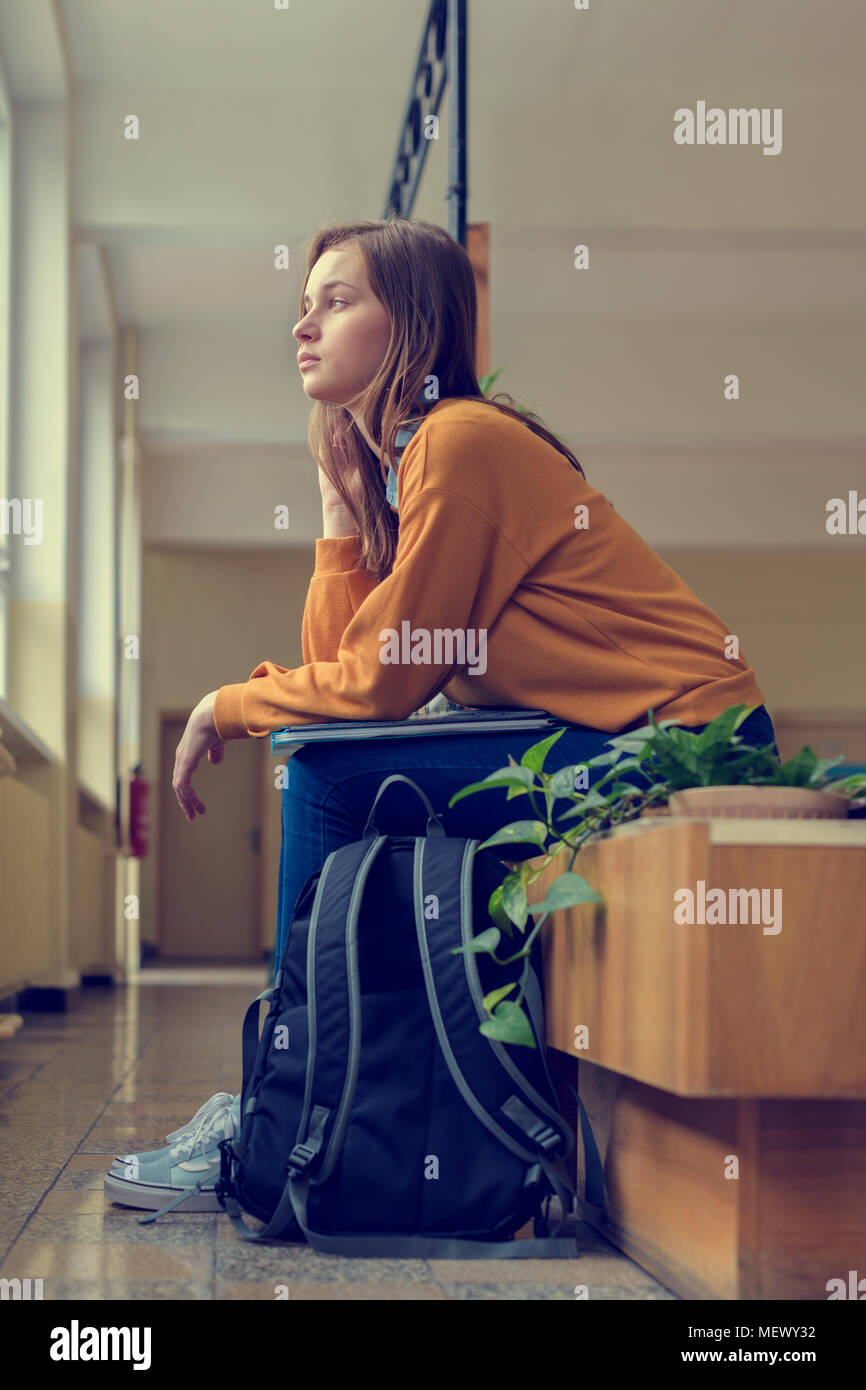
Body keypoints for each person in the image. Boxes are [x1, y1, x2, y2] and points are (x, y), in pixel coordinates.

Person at [104, 217, 779, 1214]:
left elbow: (373, 689)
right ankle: (324, 1091)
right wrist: (339, 511)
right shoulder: (407, 466)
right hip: (615, 739)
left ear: (411, 322)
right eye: (303, 306)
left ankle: (286, 1097)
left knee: (325, 772)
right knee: (334, 759)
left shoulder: (457, 441)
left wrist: (227, 705)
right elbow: (353, 669)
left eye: (337, 301)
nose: (304, 326)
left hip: (682, 742)